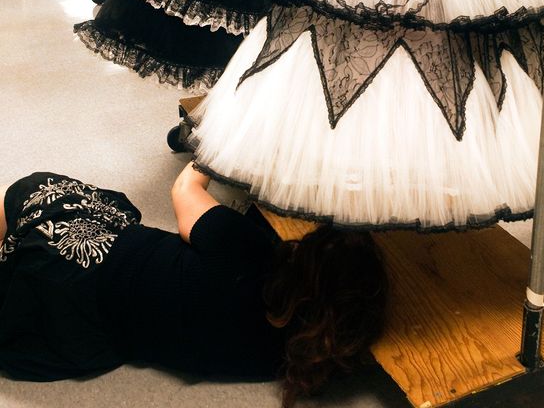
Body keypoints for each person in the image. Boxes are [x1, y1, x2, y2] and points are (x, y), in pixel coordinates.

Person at [0, 163, 388, 407]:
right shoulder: (285, 357)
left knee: (36, 188)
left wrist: (217, 142)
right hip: (87, 335)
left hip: (79, 264)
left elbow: (185, 189)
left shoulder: (244, 250)